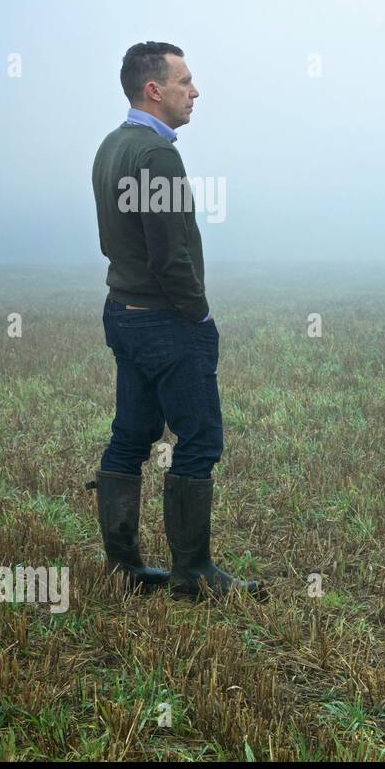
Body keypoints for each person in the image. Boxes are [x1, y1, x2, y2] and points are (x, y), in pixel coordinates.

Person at [87, 41, 260, 599]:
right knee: (201, 437)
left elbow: (114, 241)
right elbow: (168, 255)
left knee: (132, 436)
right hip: (165, 321)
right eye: (184, 81)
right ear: (154, 90)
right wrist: (199, 315)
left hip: (124, 314)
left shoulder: (112, 146)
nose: (196, 91)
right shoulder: (158, 156)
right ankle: (193, 575)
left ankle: (125, 569)